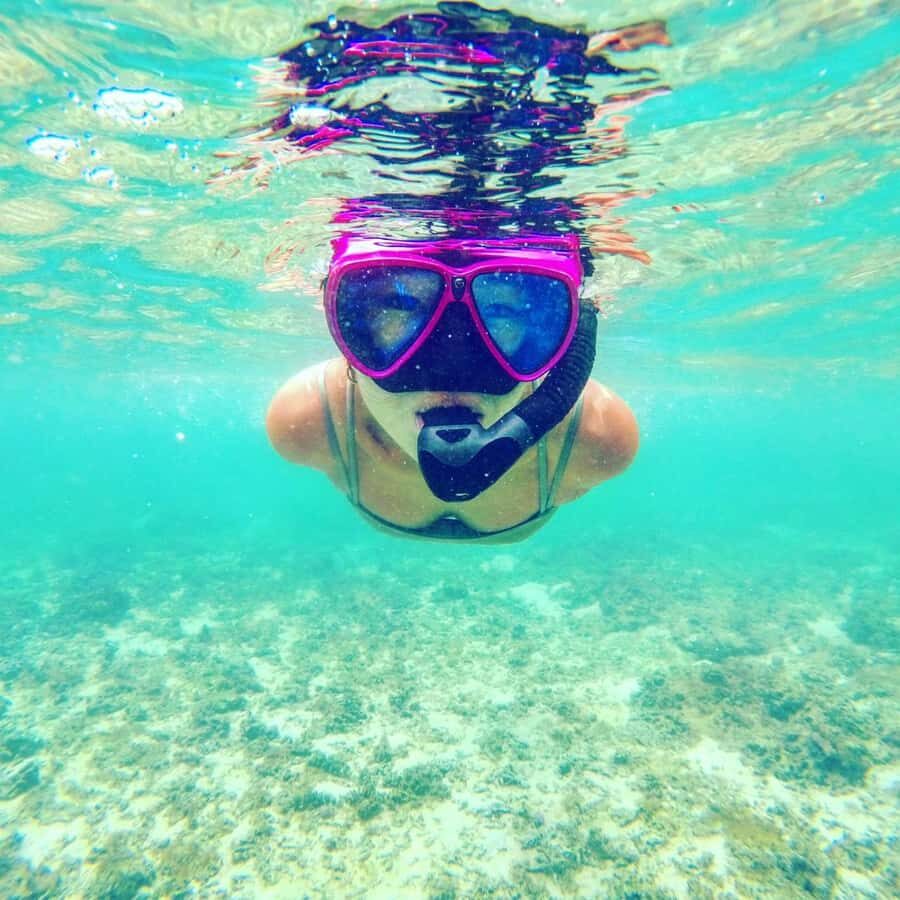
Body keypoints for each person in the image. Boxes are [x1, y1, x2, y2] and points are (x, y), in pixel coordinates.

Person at [266, 231, 638, 542]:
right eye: (400, 305)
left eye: (500, 312)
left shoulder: (595, 439)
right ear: (350, 328)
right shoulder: (309, 421)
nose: (451, 368)